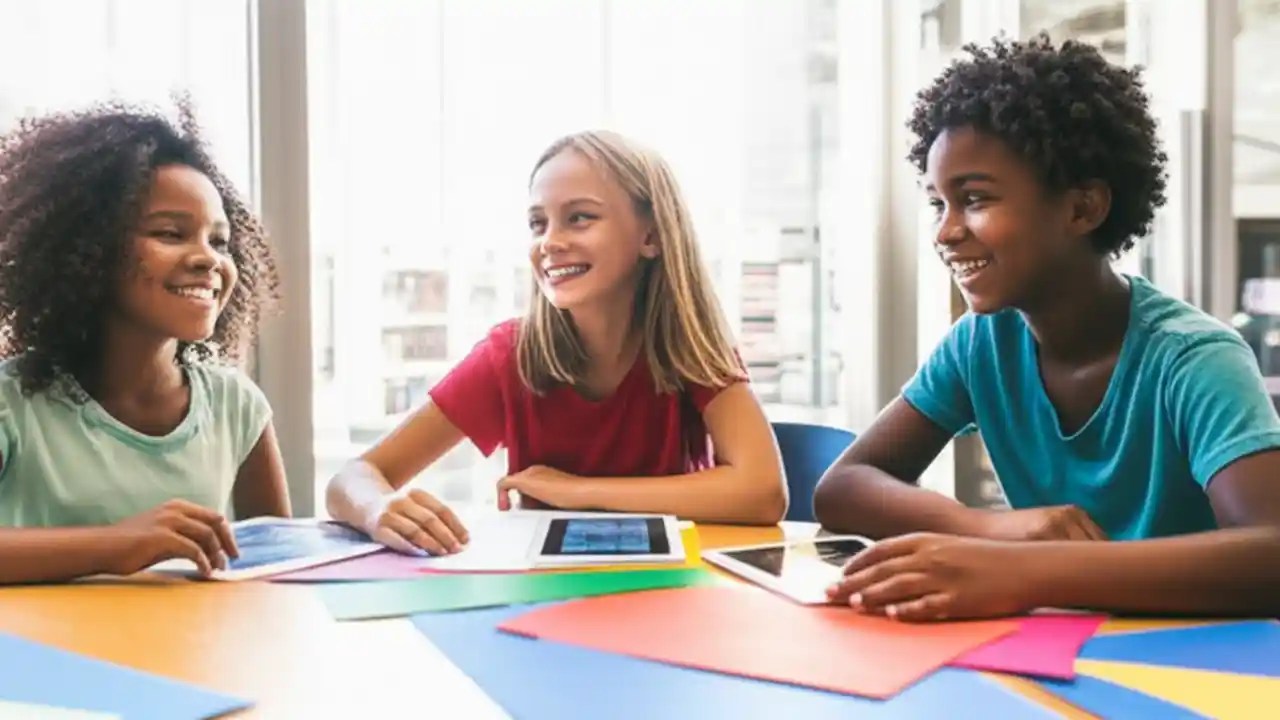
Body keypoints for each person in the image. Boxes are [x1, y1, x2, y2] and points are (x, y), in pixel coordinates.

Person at [816, 35, 1280, 620]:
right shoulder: (982, 343)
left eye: (975, 199)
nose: (945, 232)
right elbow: (844, 485)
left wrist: (1021, 572)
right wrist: (987, 528)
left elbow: (1272, 554)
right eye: (939, 203)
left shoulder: (1195, 360)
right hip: (1060, 654)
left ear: (1082, 209)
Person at [327, 130, 786, 555]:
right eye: (537, 223)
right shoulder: (510, 356)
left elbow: (764, 493)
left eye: (579, 218)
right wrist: (375, 508)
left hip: (672, 591)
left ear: (651, 235)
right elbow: (353, 478)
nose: (550, 242)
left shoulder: (688, 345)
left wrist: (577, 491)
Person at [0, 101, 289, 583]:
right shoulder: (12, 406)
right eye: (170, 233)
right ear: (89, 249)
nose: (208, 259)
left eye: (219, 241)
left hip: (183, 658)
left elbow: (281, 568)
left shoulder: (237, 408)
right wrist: (117, 543)